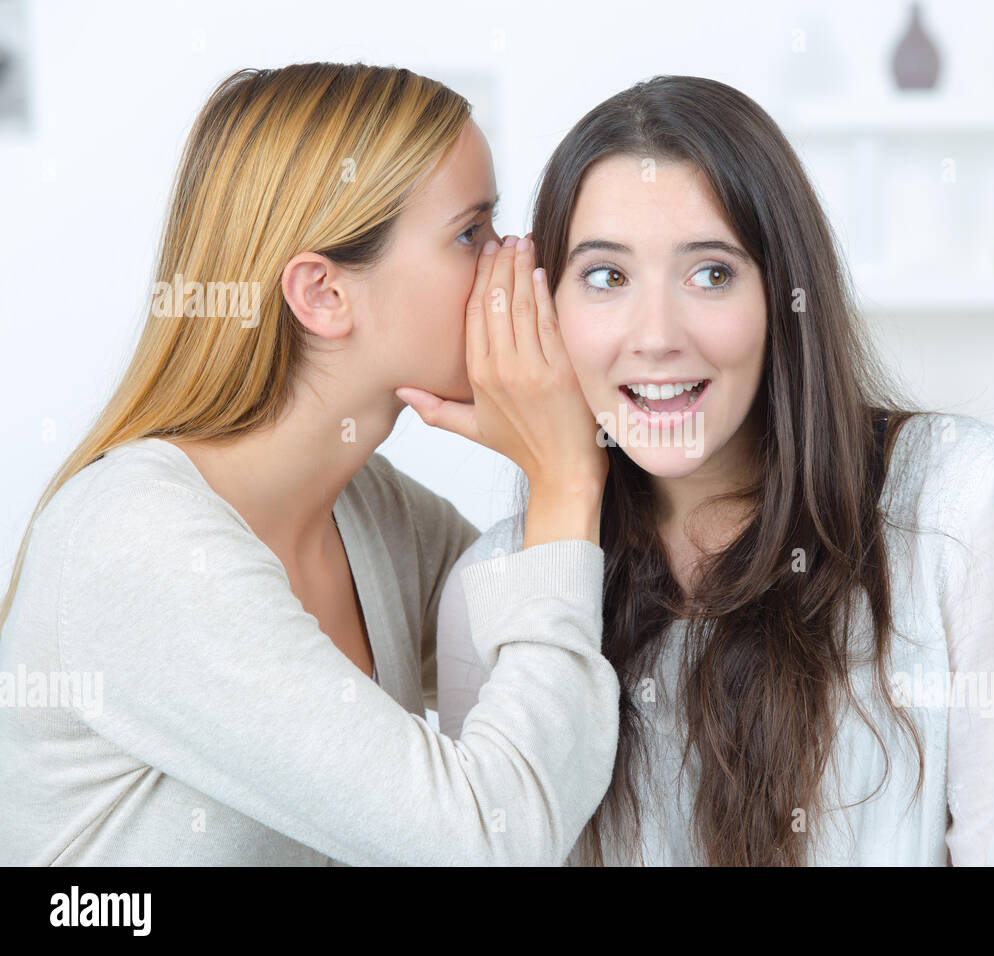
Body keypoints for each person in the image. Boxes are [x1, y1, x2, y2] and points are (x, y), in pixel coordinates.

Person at [431, 75, 994, 866]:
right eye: (607, 276)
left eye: (711, 273)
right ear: (547, 310)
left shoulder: (970, 500)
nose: (655, 337)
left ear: (786, 292)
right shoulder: (499, 583)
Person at [0, 63, 616, 866]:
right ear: (323, 294)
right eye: (471, 233)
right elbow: (484, 840)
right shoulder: (139, 542)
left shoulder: (367, 509)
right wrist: (566, 481)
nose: (515, 265)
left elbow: (555, 650)